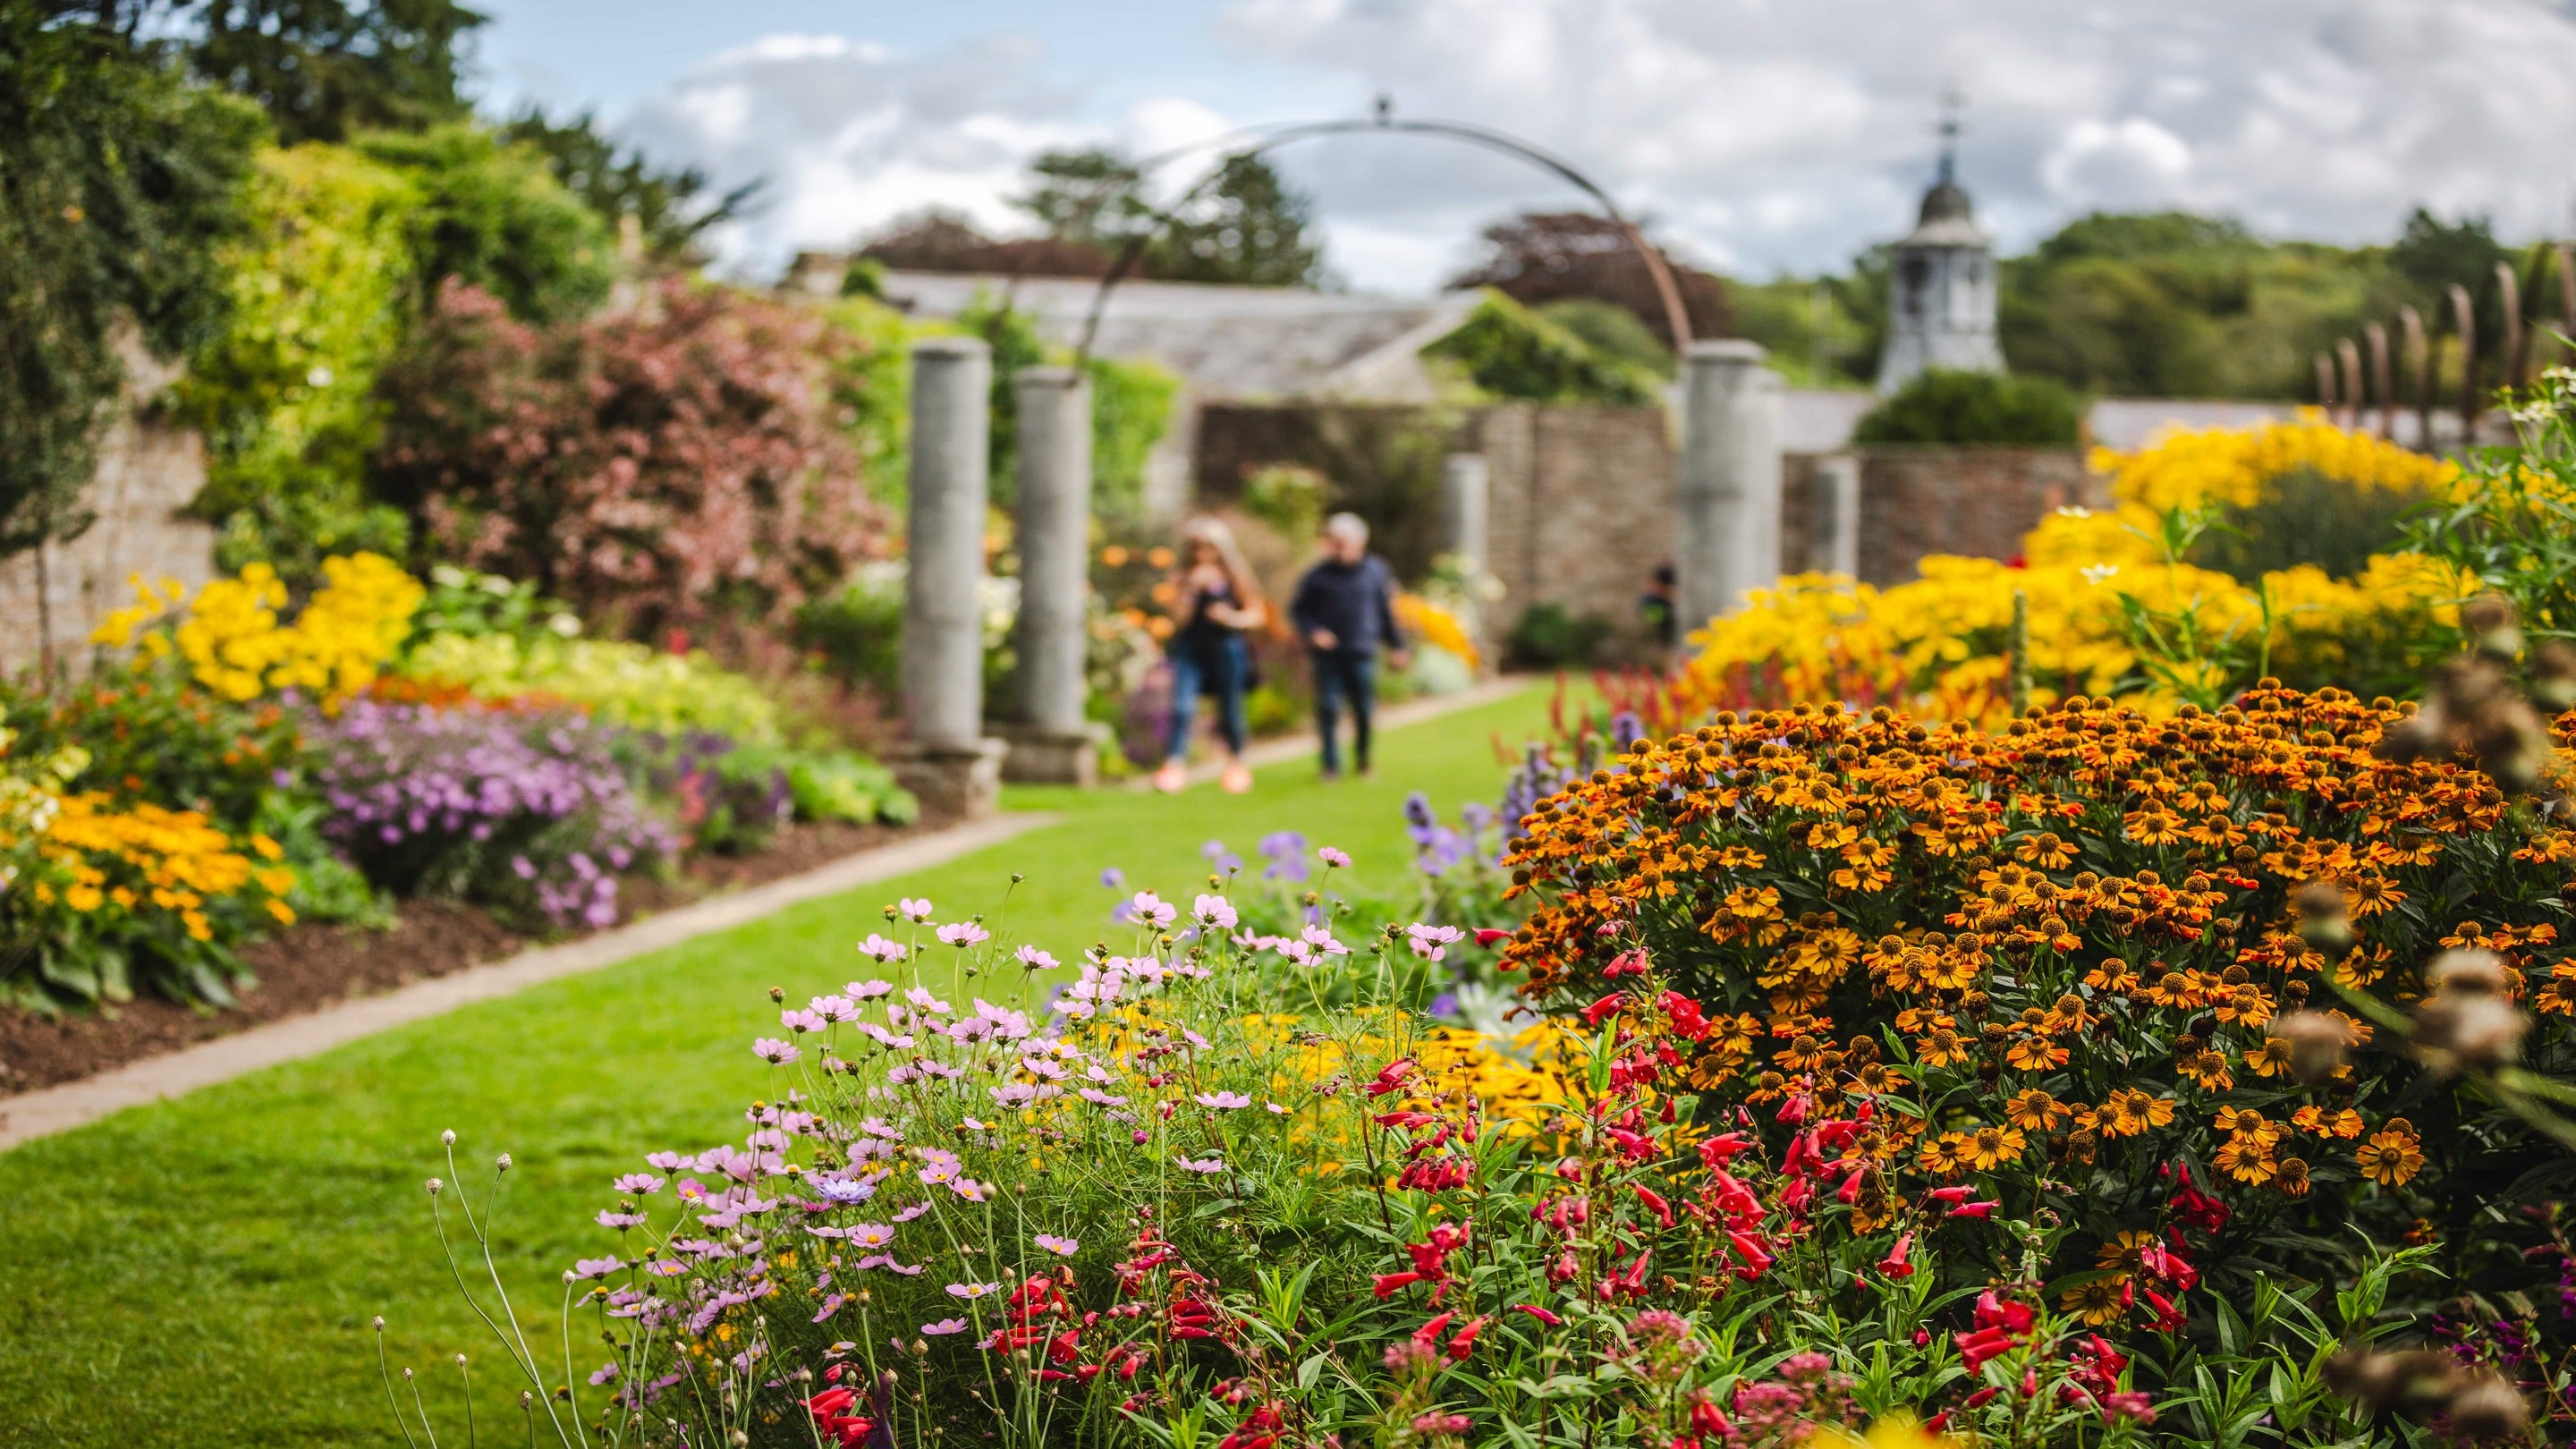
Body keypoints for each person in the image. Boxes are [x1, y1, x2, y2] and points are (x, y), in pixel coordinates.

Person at [1291, 513, 1409, 781]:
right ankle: (1330, 766)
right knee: (1329, 709)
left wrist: (1398, 646)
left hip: (1362, 651)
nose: (1338, 548)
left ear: (1360, 543)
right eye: (1334, 542)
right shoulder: (1317, 575)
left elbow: (1386, 612)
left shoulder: (1376, 571)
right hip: (1328, 655)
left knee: (1364, 710)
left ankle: (1364, 762)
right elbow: (1299, 611)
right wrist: (1315, 632)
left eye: (1343, 542)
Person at [1154, 517, 1266, 794]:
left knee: (1230, 708)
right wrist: (1191, 591)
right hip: (1191, 648)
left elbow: (1257, 614)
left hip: (1226, 647)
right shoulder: (1182, 577)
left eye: (1208, 547)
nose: (1202, 553)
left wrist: (1230, 618)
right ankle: (1174, 765)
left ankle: (1236, 765)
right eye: (1196, 548)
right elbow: (1177, 621)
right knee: (1182, 707)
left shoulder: (1233, 576)